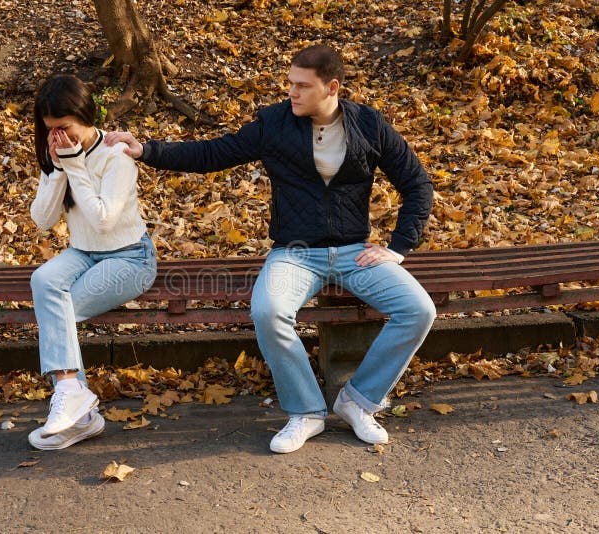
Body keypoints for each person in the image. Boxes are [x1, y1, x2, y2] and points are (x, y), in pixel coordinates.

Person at [105, 44, 436, 454]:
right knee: (268, 310)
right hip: (294, 253)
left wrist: (399, 247)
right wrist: (148, 150)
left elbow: (417, 185)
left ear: (332, 87)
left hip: (355, 252)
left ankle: (358, 401)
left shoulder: (369, 124)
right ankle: (306, 412)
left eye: (302, 86)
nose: (291, 93)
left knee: (419, 310)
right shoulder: (275, 123)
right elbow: (213, 152)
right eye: (290, 83)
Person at [27, 74, 157, 450]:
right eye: (50, 129)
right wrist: (55, 171)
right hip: (83, 253)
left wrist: (75, 166)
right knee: (45, 280)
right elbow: (42, 220)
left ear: (87, 116)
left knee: (58, 308)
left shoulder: (116, 156)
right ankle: (72, 394)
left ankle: (80, 416)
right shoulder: (57, 153)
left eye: (65, 128)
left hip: (131, 258)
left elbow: (104, 219)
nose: (58, 137)